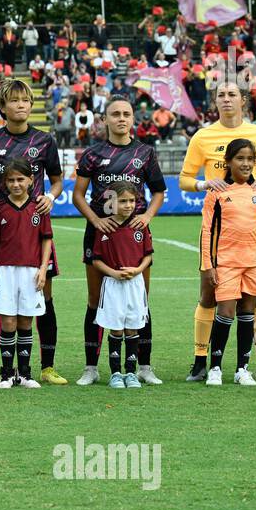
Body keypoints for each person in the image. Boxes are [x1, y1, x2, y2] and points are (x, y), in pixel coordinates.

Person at [179, 83, 256, 382]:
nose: (226, 99)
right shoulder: (203, 136)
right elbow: (186, 179)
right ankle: (201, 360)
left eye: (231, 95)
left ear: (244, 101)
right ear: (215, 101)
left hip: (252, 227)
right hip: (218, 231)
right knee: (209, 296)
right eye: (221, 95)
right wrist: (204, 184)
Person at [0, 78, 66, 385]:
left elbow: (56, 180)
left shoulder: (45, 140)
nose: (21, 105)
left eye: (26, 100)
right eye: (14, 100)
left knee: (44, 298)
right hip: (3, 233)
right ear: (3, 107)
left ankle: (47, 366)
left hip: (34, 228)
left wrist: (50, 198)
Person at [72, 95, 166, 385]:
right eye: (115, 114)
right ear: (104, 120)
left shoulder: (145, 152)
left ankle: (144, 367)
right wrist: (96, 220)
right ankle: (91, 367)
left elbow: (159, 192)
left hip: (134, 236)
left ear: (133, 119)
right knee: (94, 300)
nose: (121, 118)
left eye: (126, 113)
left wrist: (147, 217)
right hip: (100, 234)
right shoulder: (92, 154)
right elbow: (77, 195)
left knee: (140, 299)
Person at [198, 139, 256, 386]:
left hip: (254, 263)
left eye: (250, 159)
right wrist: (208, 265)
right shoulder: (217, 193)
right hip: (226, 263)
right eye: (240, 158)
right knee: (225, 312)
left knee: (247, 313)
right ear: (228, 162)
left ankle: (242, 369)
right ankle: (215, 368)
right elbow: (207, 231)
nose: (245, 163)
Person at [0, 159, 54, 389]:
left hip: (32, 271)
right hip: (4, 271)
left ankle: (24, 373)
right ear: (5, 182)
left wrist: (44, 269)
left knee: (25, 319)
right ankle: (5, 374)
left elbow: (46, 240)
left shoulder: (39, 208)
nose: (16, 184)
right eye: (11, 180)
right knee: (8, 321)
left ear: (31, 180)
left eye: (20, 179)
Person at [90, 181, 154, 389]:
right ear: (112, 202)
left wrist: (137, 270)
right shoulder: (105, 227)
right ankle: (116, 373)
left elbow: (148, 256)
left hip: (135, 283)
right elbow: (96, 259)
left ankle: (132, 373)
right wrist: (113, 273)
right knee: (116, 329)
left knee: (133, 327)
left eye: (132, 201)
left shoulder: (139, 226)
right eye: (123, 201)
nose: (128, 205)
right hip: (112, 284)